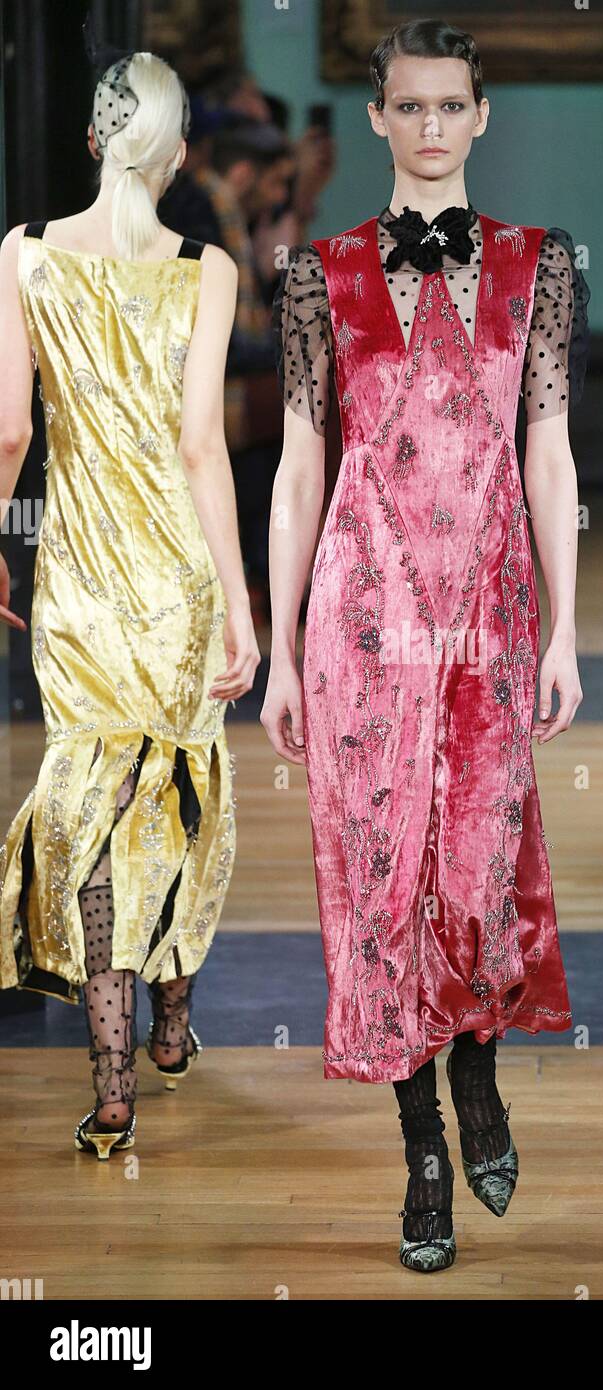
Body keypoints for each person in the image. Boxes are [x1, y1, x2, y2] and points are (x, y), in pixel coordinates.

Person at [263, 18, 588, 1270]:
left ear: (483, 116)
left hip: (492, 612)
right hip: (361, 615)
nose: (434, 127)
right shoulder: (318, 274)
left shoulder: (536, 265)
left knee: (476, 868)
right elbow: (300, 467)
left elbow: (549, 452)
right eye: (411, 107)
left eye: (454, 106)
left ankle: (484, 1079)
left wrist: (569, 627)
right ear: (382, 118)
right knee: (380, 883)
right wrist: (286, 649)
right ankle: (420, 1155)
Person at [0, 50, 259, 1159]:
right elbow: (205, 449)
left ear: (97, 139)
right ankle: (170, 1021)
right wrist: (244, 607)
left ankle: (112, 1088)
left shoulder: (24, 257)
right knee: (180, 780)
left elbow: (11, 433)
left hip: (81, 587)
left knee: (95, 809)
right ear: (179, 152)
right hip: (174, 579)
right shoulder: (206, 269)